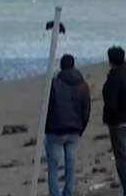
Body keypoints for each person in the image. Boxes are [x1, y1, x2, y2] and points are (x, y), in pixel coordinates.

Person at [44, 54, 90, 196]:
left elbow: (48, 107)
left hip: (55, 130)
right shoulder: (82, 84)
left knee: (53, 167)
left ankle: (55, 194)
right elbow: (86, 109)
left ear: (61, 66)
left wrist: (46, 127)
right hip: (74, 129)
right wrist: (81, 128)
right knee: (71, 166)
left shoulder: (54, 83)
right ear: (73, 65)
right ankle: (68, 193)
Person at [102, 46, 126, 196]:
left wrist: (110, 116)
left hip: (119, 122)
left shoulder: (114, 76)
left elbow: (110, 101)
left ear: (111, 60)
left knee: (122, 160)